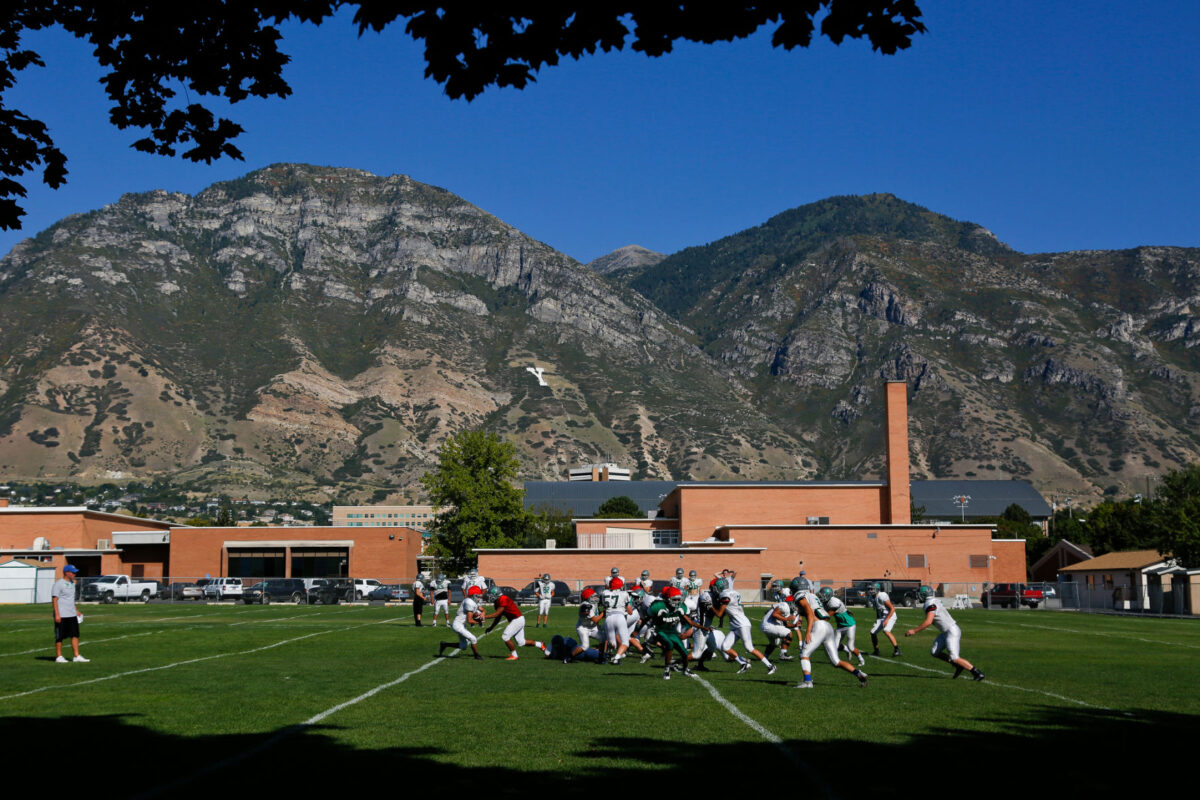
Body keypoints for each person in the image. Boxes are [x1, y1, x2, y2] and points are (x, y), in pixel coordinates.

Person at [794, 586, 868, 689]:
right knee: (836, 662)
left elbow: (810, 614)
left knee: (804, 654)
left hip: (819, 626)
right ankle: (859, 674)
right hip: (827, 627)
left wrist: (808, 632)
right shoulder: (812, 596)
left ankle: (807, 682)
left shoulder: (801, 596)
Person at [905, 587, 985, 680]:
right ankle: (958, 666)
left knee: (954, 657)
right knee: (934, 652)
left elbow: (928, 621)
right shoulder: (934, 601)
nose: (918, 596)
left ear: (924, 595)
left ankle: (977, 673)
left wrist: (914, 631)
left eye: (919, 594)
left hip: (951, 631)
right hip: (946, 631)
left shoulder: (930, 603)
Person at [712, 578, 775, 675]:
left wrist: (710, 606)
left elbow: (719, 614)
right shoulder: (734, 592)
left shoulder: (724, 595)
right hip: (735, 624)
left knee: (749, 648)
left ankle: (770, 665)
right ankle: (743, 663)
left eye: (716, 587)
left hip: (742, 624)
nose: (715, 589)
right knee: (725, 647)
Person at [648, 586, 704, 680]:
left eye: (679, 599)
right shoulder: (658, 606)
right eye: (675, 599)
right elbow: (648, 616)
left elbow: (689, 621)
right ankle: (667, 670)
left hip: (672, 632)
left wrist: (703, 627)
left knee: (684, 652)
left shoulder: (681, 606)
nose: (677, 602)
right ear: (668, 599)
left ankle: (685, 670)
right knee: (669, 645)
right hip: (660, 631)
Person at [483, 587, 545, 660]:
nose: (489, 597)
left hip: (517, 620)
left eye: (491, 595)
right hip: (518, 620)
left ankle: (514, 655)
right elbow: (498, 617)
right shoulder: (497, 602)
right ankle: (540, 645)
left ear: (496, 594)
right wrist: (491, 627)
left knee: (505, 636)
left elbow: (497, 614)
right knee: (521, 642)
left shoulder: (503, 598)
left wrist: (484, 617)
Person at [820, 586, 865, 667]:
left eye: (822, 595)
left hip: (849, 625)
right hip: (840, 626)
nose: (821, 597)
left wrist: (818, 623)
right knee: (835, 646)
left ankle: (861, 659)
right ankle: (845, 651)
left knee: (851, 647)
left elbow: (827, 617)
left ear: (828, 595)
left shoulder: (834, 602)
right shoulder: (826, 602)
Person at [52, 564, 87, 663]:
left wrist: (76, 610)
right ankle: (59, 656)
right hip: (62, 614)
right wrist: (57, 614)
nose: (75, 574)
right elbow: (55, 599)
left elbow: (71, 599)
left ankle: (76, 656)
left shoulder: (72, 583)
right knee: (60, 636)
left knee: (75, 635)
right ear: (67, 572)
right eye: (73, 572)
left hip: (71, 614)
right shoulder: (59, 584)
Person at [438, 585, 485, 660]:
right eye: (478, 596)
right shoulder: (469, 602)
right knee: (473, 639)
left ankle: (445, 644)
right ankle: (477, 655)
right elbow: (470, 620)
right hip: (458, 625)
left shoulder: (471, 601)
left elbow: (480, 610)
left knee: (463, 646)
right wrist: (479, 622)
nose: (480, 598)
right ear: (473, 595)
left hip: (462, 625)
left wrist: (483, 613)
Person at [760, 581, 798, 662]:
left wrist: (794, 626)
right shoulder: (785, 605)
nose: (795, 607)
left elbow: (786, 625)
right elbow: (774, 614)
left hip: (766, 624)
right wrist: (787, 619)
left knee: (774, 644)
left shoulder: (785, 607)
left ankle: (764, 657)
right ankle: (783, 654)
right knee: (788, 633)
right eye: (795, 605)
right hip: (769, 625)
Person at [568, 587, 606, 663]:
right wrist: (604, 612)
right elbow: (596, 619)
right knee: (585, 646)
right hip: (583, 628)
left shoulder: (594, 604)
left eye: (595, 596)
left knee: (603, 639)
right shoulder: (585, 606)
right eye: (592, 596)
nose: (595, 598)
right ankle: (569, 657)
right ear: (587, 598)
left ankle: (601, 658)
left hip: (593, 627)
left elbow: (598, 617)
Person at [868, 583, 902, 657]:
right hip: (882, 616)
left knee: (886, 631)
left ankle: (897, 650)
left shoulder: (881, 596)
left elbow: (892, 608)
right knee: (873, 632)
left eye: (872, 589)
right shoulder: (871, 597)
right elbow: (878, 609)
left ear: (877, 589)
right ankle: (876, 651)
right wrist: (879, 620)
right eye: (869, 589)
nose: (870, 591)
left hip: (890, 615)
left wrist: (886, 619)